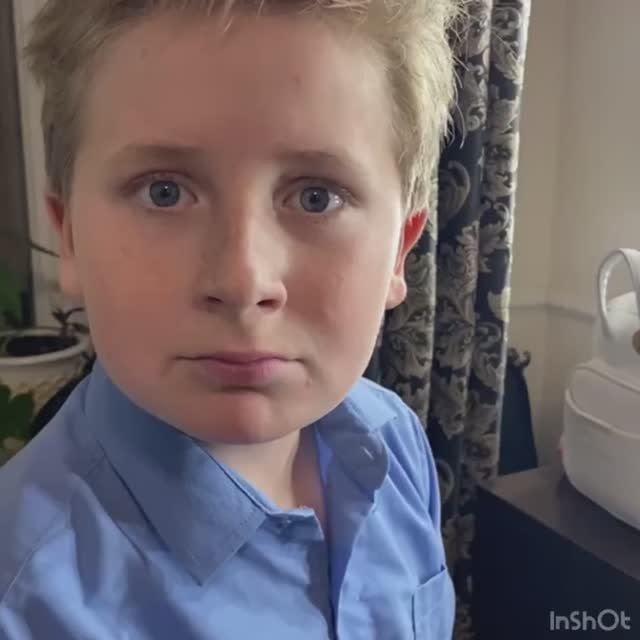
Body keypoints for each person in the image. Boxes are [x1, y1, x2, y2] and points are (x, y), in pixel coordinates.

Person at [0, 1, 459, 637]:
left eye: (316, 197)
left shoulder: (396, 442)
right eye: (164, 192)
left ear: (399, 251)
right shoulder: (24, 603)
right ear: (70, 236)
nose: (244, 283)